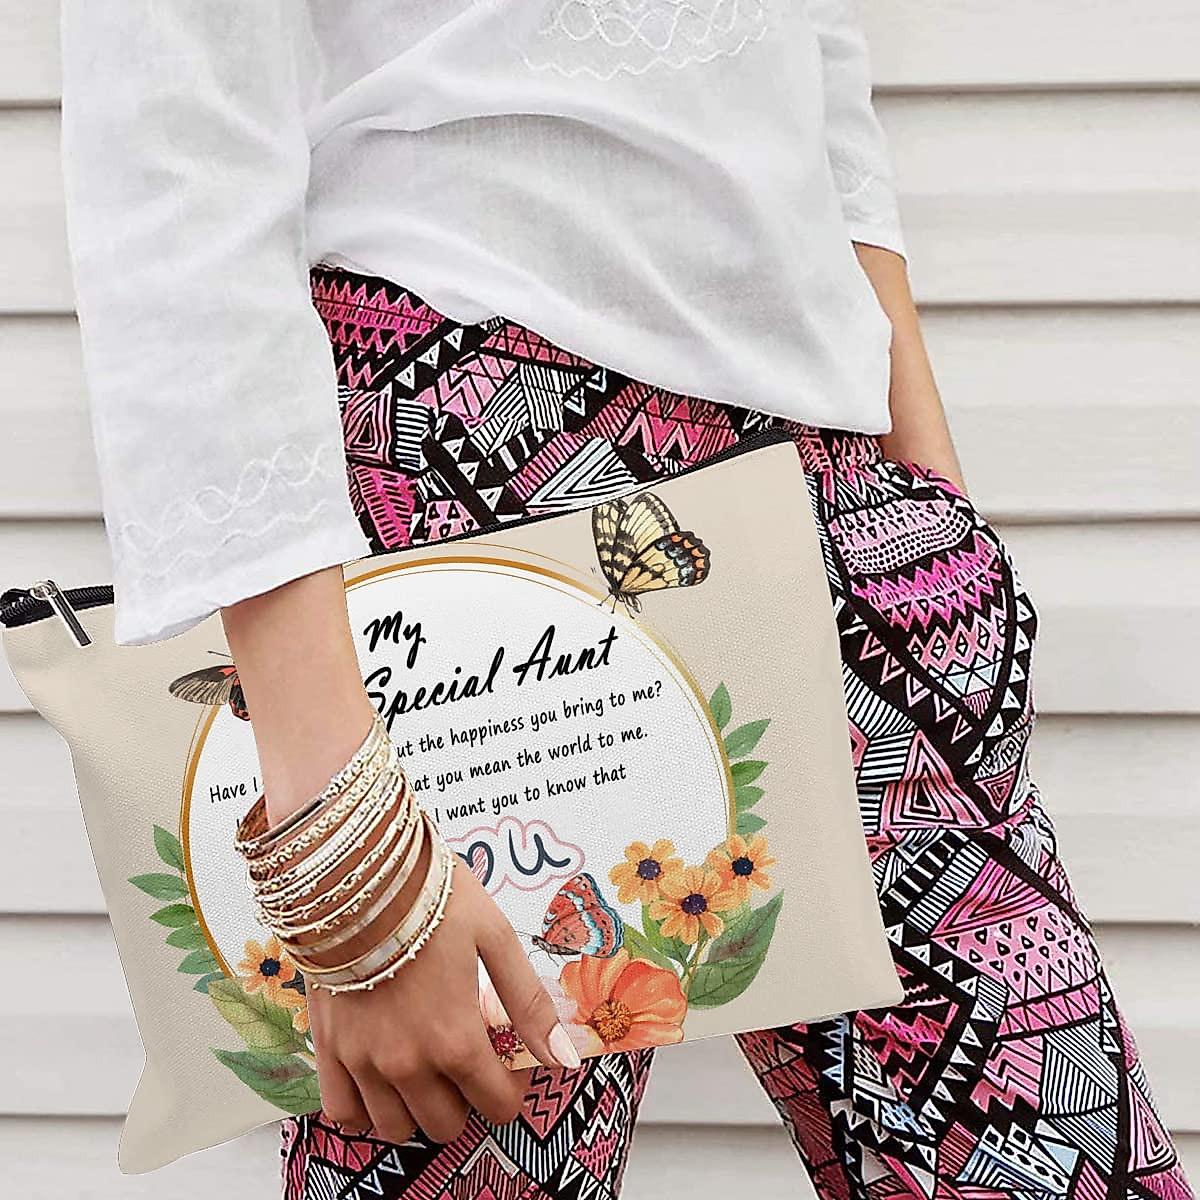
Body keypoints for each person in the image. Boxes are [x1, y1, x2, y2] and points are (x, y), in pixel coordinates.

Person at [59, 4, 1192, 1200]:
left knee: (1043, 1151)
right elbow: (173, 147)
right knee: (474, 1145)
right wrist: (342, 854)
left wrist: (930, 507)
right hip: (471, 472)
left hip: (831, 485)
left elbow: (814, 59)